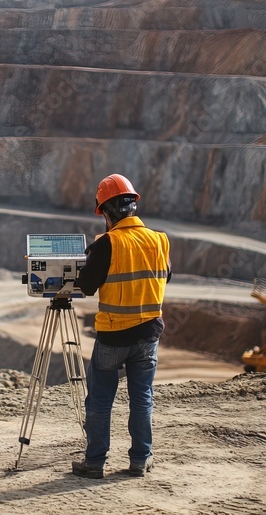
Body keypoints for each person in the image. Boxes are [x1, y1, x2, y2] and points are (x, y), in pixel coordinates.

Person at [70, 174, 171, 479]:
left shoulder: (107, 244)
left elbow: (87, 287)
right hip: (148, 335)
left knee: (100, 401)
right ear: (132, 207)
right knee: (142, 398)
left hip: (113, 337)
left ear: (108, 212)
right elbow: (163, 277)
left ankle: (95, 463)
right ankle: (140, 460)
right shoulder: (160, 239)